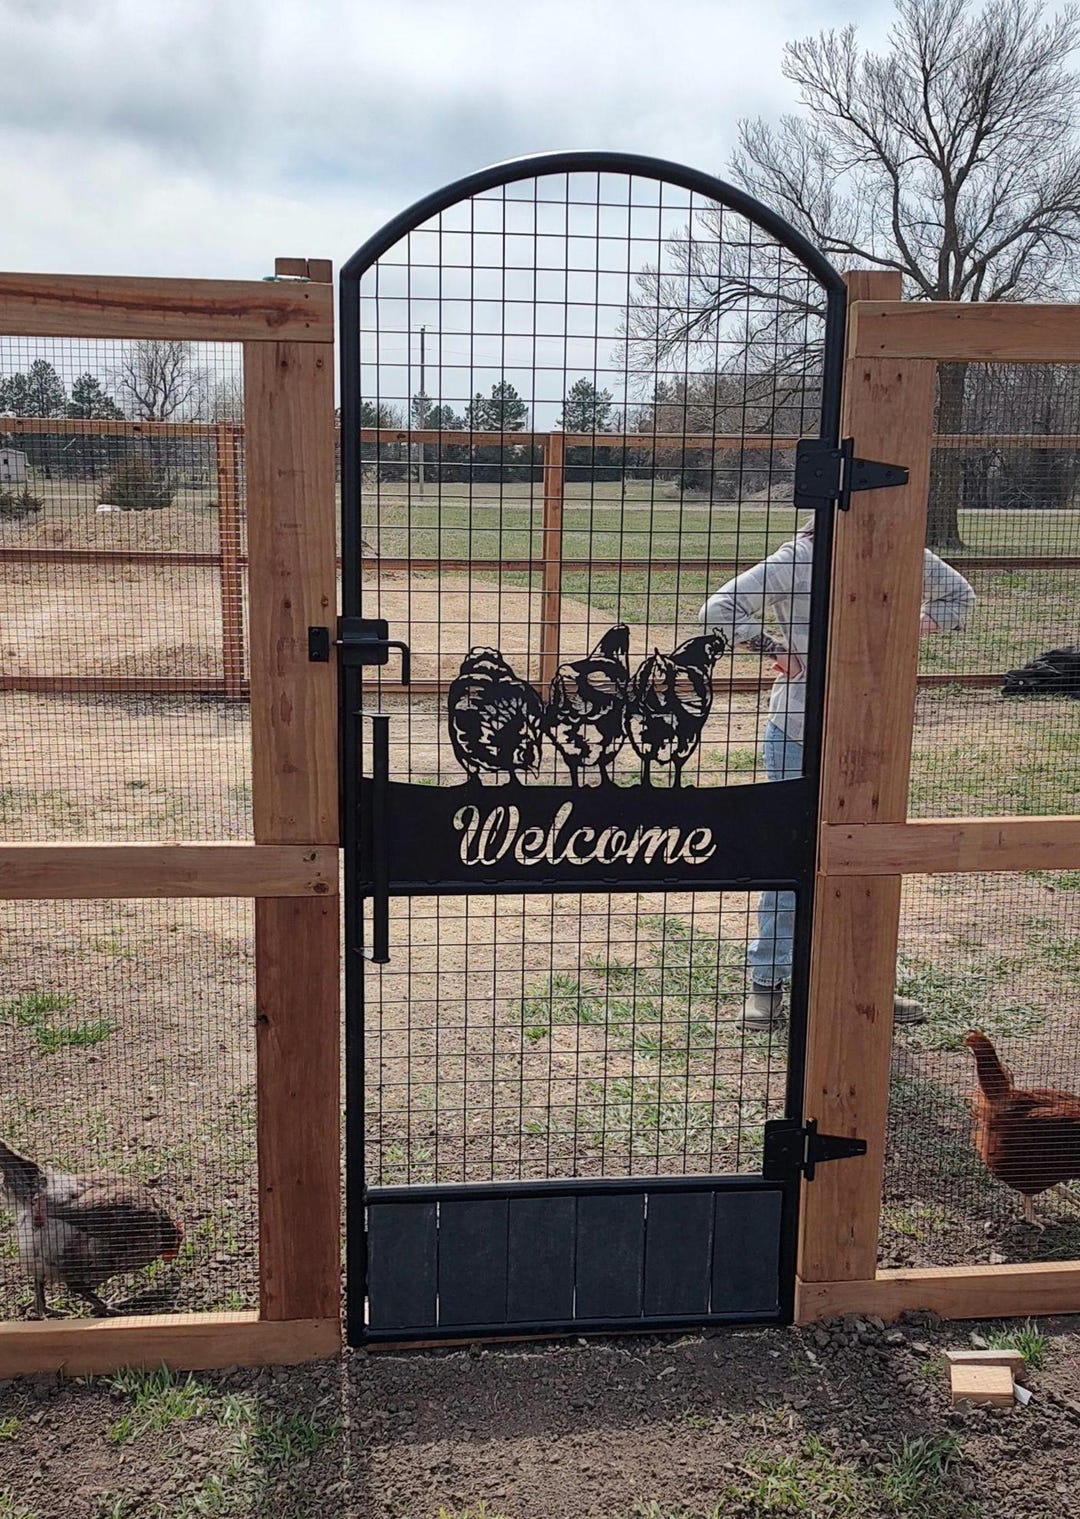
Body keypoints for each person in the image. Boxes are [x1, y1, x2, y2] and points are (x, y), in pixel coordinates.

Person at [700, 518, 975, 1031]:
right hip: (798, 732)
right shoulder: (798, 559)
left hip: (874, 733)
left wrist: (897, 631)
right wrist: (781, 652)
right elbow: (717, 610)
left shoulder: (900, 549)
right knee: (789, 854)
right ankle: (769, 983)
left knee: (871, 854)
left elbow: (959, 599)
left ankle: (867, 983)